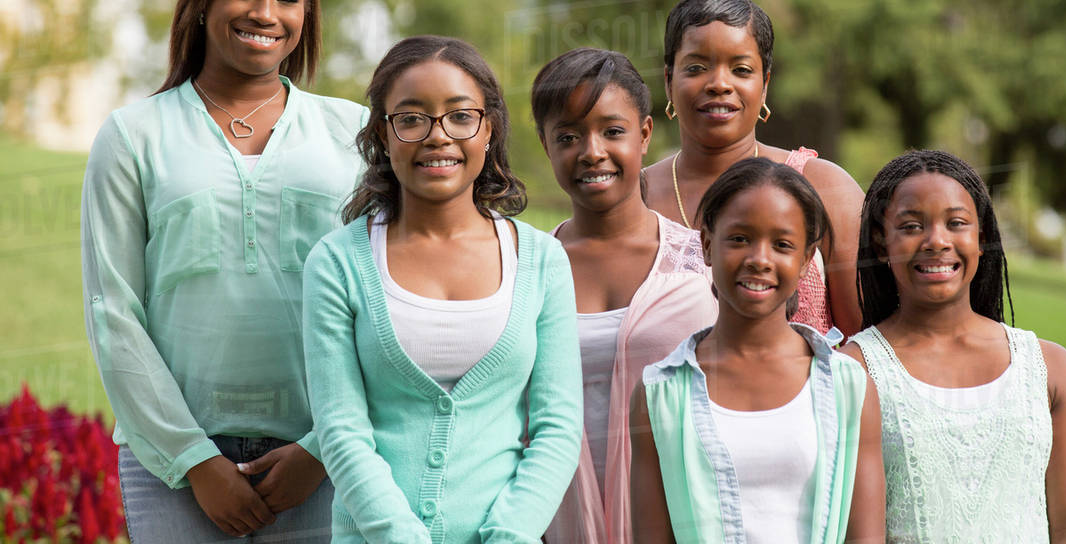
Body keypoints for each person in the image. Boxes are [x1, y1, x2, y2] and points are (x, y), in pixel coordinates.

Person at [81, 0, 367, 540]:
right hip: (175, 467)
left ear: (306, 15)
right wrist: (197, 463)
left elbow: (388, 303)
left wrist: (323, 448)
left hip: (327, 461)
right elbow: (113, 311)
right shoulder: (133, 137)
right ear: (202, 1)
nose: (265, 12)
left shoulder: (355, 133)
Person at [302, 35, 583, 543]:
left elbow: (557, 430)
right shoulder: (336, 263)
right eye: (411, 118)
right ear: (383, 136)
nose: (438, 136)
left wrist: (508, 536)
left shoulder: (542, 262)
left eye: (459, 115)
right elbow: (342, 431)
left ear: (488, 129)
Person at [843, 150, 1066, 543]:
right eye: (912, 226)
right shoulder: (857, 372)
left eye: (956, 223)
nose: (936, 241)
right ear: (882, 244)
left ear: (981, 239)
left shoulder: (1051, 369)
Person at [630, 158, 885, 544]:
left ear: (804, 260)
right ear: (707, 245)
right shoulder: (659, 396)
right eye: (739, 239)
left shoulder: (849, 388)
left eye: (782, 245)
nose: (759, 260)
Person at [531, 48, 716, 544]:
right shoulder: (524, 272)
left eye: (613, 131)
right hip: (550, 528)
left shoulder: (703, 266)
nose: (592, 151)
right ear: (545, 145)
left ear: (646, 134)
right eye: (568, 137)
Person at [642, 0, 864, 336]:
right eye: (697, 67)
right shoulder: (635, 196)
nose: (719, 84)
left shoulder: (826, 189)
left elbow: (866, 346)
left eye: (741, 69)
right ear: (669, 81)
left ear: (764, 85)